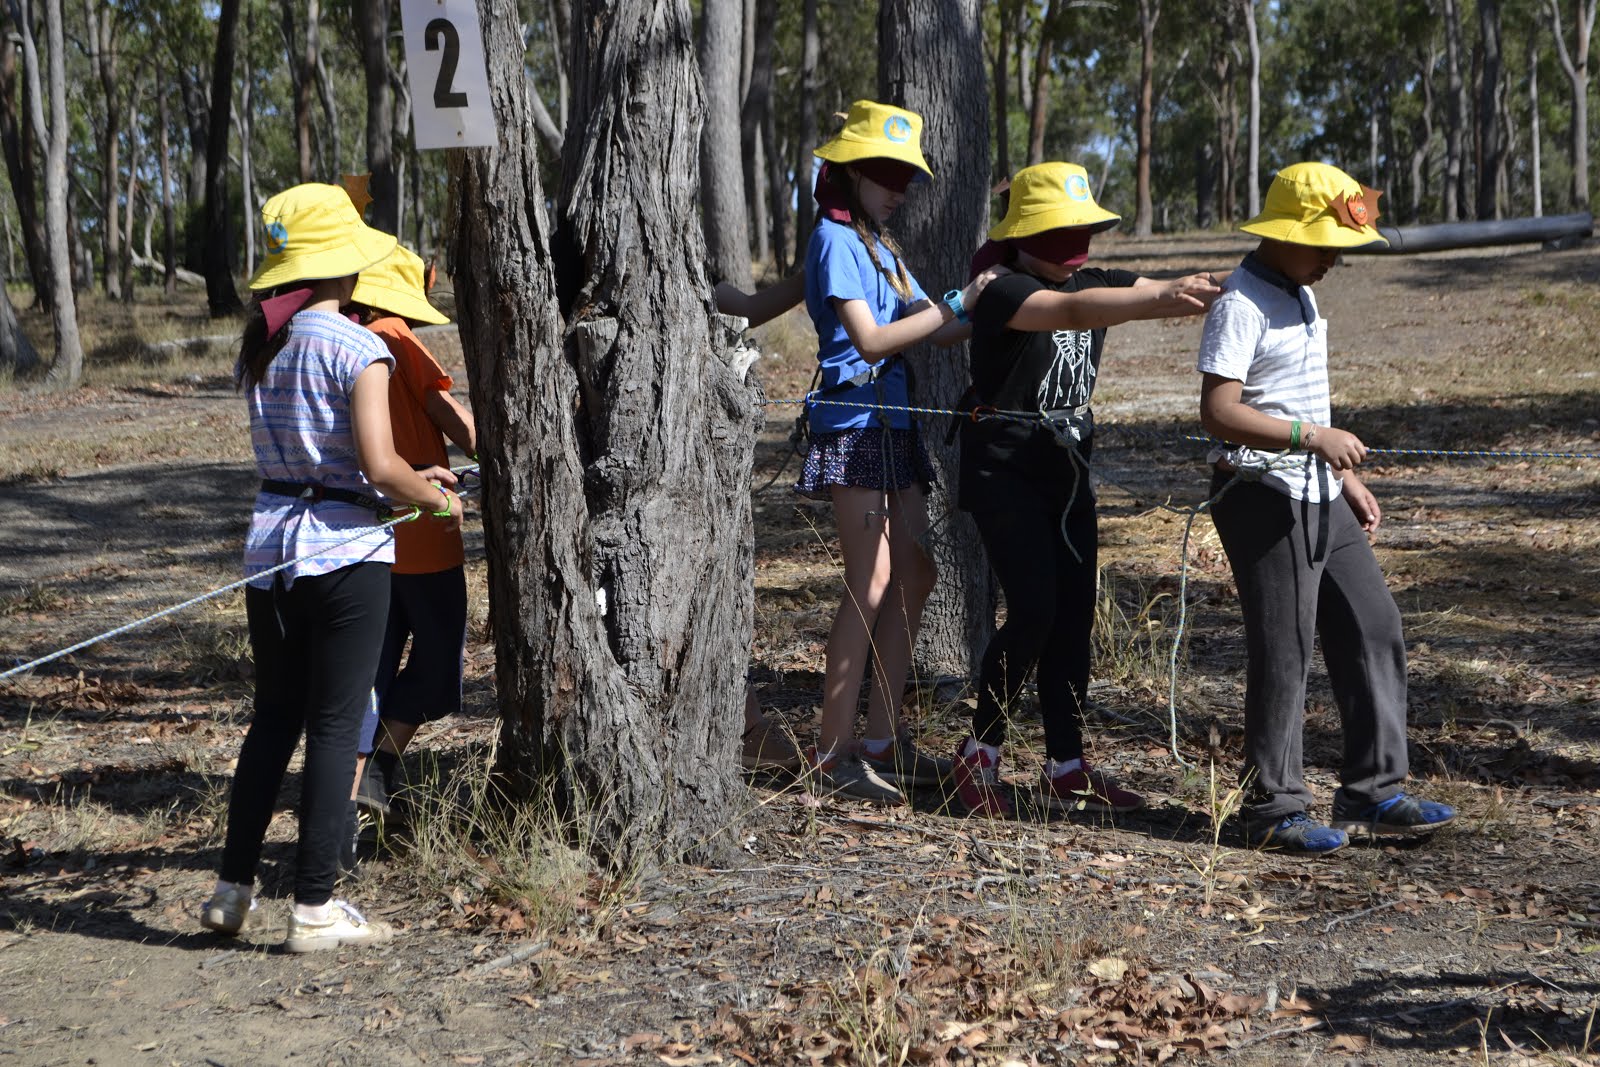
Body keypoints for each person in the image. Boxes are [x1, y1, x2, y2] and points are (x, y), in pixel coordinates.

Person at [200, 183, 463, 951]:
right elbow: (382, 467)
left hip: (269, 551)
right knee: (336, 721)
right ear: (348, 267)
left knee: (272, 717)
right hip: (345, 555)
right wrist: (434, 495)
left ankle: (231, 888)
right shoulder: (360, 348)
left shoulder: (265, 344)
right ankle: (314, 904)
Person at [1194, 162, 1456, 854]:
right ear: (1282, 235)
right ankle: (1272, 807)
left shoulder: (1302, 292)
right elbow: (1218, 411)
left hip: (1317, 494)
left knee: (1373, 622)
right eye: (1325, 243)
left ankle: (1374, 788)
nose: (1336, 258)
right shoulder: (1241, 300)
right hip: (1260, 496)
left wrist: (1342, 479)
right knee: (1285, 647)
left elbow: (1299, 398)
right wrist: (1315, 439)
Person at [949, 161, 1224, 818]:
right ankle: (977, 753)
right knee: (1036, 610)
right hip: (1002, 473)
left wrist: (1256, 278)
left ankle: (1065, 766)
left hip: (1067, 476)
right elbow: (1072, 310)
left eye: (1085, 226)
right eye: (1063, 228)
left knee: (1073, 617)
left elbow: (1147, 287)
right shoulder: (1005, 290)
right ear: (1026, 233)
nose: (1079, 241)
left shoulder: (1090, 280)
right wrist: (1158, 297)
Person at [792, 99, 1003, 803]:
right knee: (872, 581)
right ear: (850, 171)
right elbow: (873, 340)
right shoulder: (832, 240)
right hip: (853, 427)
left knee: (915, 573)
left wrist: (986, 306)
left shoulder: (881, 245)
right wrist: (954, 304)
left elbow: (933, 327)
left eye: (905, 174)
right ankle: (831, 752)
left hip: (896, 428)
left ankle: (882, 742)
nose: (898, 186)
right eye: (885, 172)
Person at [344, 244, 477, 816]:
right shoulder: (397, 336)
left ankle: (348, 790)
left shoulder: (344, 341)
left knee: (371, 668)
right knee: (439, 659)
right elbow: (454, 421)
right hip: (423, 535)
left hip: (365, 536)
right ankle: (379, 767)